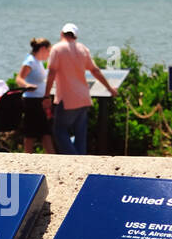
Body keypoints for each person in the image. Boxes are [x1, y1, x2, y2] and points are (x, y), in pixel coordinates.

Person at [44, 22, 117, 155]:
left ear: (62, 34)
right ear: (75, 36)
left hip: (66, 98)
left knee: (59, 131)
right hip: (83, 97)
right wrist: (110, 89)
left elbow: (52, 73)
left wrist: (46, 95)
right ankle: (81, 161)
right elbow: (95, 70)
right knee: (80, 135)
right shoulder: (83, 49)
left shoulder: (57, 49)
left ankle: (75, 159)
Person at [15, 37, 54, 154]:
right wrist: (27, 85)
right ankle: (31, 155)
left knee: (43, 131)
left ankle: (51, 155)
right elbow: (19, 78)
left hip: (38, 100)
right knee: (32, 131)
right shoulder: (30, 61)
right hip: (31, 101)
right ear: (43, 49)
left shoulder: (38, 62)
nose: (49, 54)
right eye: (48, 51)